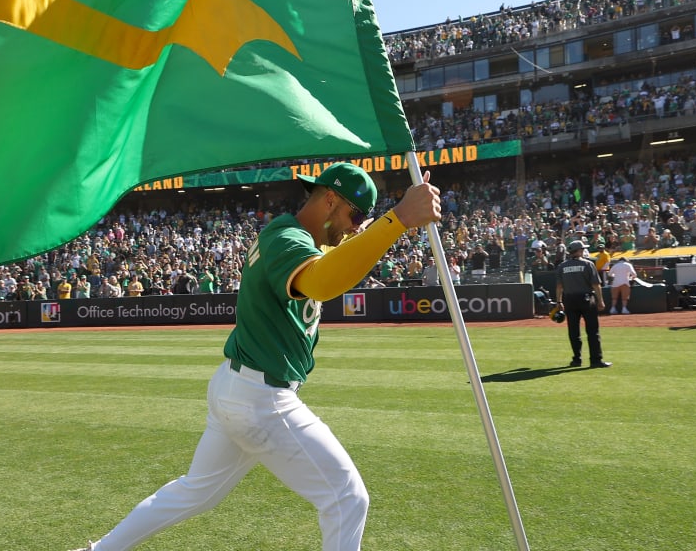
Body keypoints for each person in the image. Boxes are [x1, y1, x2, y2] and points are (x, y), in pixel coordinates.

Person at [69, 163, 441, 551]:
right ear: (330, 199)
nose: (355, 226)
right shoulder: (287, 237)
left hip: (236, 385)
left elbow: (342, 253)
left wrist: (388, 225)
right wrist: (396, 220)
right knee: (347, 498)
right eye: (355, 214)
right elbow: (321, 281)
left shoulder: (299, 236)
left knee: (194, 493)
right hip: (261, 397)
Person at [556, 239, 609, 368]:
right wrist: (600, 300)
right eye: (582, 249)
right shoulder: (588, 264)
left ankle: (576, 359)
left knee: (573, 331)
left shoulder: (562, 266)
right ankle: (596, 360)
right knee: (592, 331)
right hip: (586, 299)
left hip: (569, 300)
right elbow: (596, 285)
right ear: (579, 251)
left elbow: (559, 287)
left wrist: (559, 301)